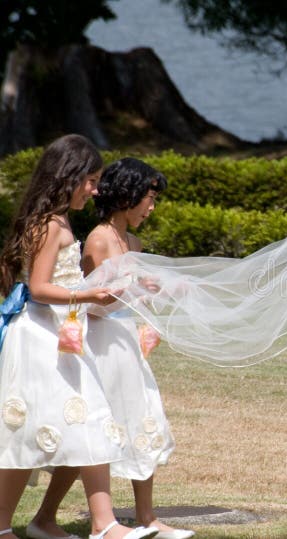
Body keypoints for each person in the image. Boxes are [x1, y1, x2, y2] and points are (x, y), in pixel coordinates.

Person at [0, 135, 159, 539]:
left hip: (60, 334)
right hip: (39, 336)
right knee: (28, 430)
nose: (95, 190)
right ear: (67, 177)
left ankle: (99, 524)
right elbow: (38, 287)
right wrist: (88, 293)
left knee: (85, 420)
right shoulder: (49, 224)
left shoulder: (60, 221)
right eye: (89, 180)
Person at [30, 158, 194, 539]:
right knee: (92, 433)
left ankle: (147, 516)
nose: (151, 208)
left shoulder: (131, 242)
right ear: (128, 195)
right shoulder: (101, 238)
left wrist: (162, 290)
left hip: (123, 341)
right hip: (101, 342)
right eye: (148, 199)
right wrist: (135, 290)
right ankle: (50, 516)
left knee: (143, 418)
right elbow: (93, 300)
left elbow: (129, 294)